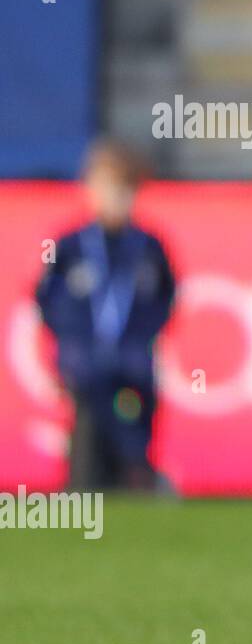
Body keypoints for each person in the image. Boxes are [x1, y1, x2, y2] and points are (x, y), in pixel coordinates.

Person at [35, 139, 176, 491]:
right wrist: (68, 336)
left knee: (136, 389)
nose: (112, 199)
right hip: (82, 352)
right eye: (103, 188)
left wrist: (146, 333)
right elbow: (46, 296)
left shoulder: (148, 246)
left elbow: (165, 295)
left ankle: (130, 469)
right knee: (91, 385)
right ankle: (133, 467)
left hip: (131, 350)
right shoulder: (70, 245)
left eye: (120, 190)